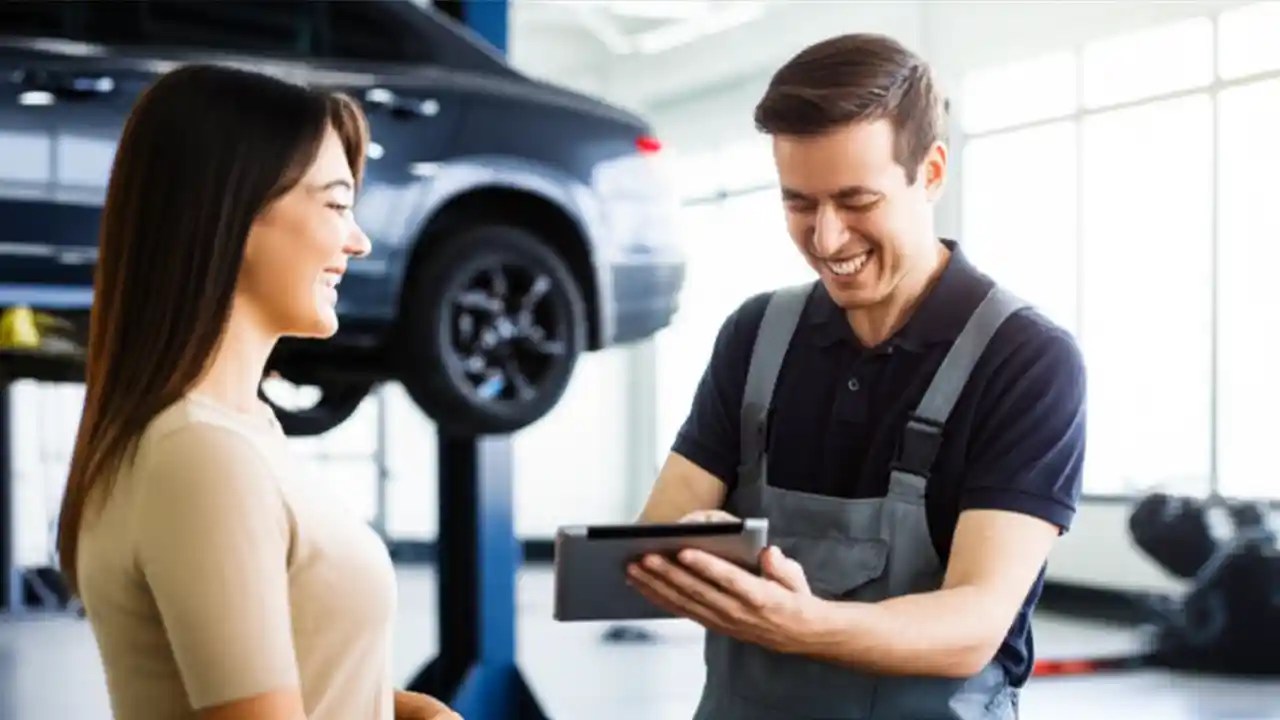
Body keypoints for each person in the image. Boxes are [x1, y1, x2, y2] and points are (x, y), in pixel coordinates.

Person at [628, 33, 1086, 720]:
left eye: (856, 202)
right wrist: (698, 547)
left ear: (931, 173)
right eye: (799, 203)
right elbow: (657, 536)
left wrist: (802, 624)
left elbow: (973, 625)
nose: (827, 239)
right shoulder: (755, 338)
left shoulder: (1026, 361)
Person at [55, 65, 459, 720]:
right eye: (335, 205)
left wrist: (411, 712)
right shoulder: (201, 456)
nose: (356, 242)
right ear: (233, 215)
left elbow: (304, 680)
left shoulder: (234, 435)